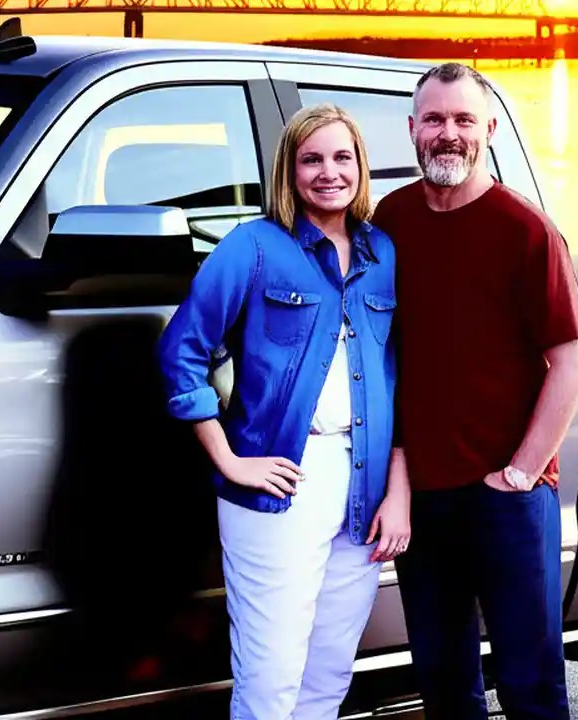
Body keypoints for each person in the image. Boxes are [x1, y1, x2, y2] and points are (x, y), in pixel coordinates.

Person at [158, 102, 410, 720]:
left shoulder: (384, 254)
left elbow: (404, 378)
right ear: (288, 170)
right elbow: (181, 350)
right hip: (280, 488)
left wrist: (398, 491)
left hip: (365, 489)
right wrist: (229, 460)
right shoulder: (254, 246)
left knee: (328, 675)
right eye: (311, 159)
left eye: (342, 157)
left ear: (361, 166)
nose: (329, 172)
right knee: (271, 680)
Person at [371, 62, 578, 720]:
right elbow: (388, 354)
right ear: (411, 130)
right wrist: (401, 478)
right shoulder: (392, 220)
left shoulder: (525, 233)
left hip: (507, 499)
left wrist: (522, 473)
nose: (449, 133)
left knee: (531, 686)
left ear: (489, 129)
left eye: (464, 119)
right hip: (425, 498)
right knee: (443, 685)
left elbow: (571, 363)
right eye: (435, 119)